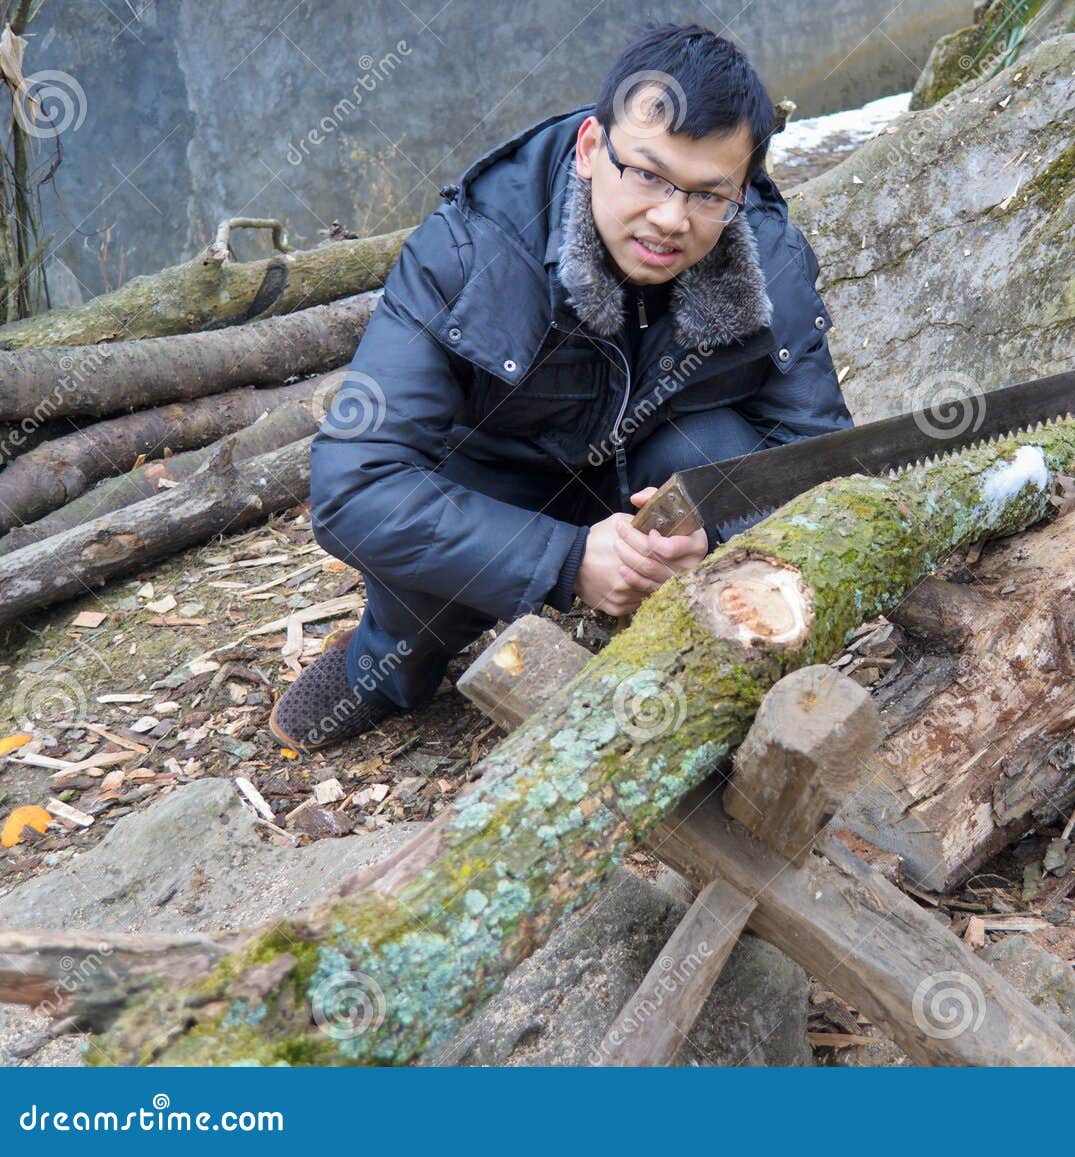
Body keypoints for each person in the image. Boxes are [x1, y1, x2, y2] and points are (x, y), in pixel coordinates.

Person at [269, 22, 852, 753]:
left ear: (741, 189)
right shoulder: (468, 250)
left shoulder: (769, 254)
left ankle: (698, 673)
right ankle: (385, 664)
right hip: (507, 478)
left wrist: (722, 537)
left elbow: (819, 459)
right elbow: (353, 485)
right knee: (419, 582)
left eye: (709, 195)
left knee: (726, 460)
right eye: (647, 175)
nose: (670, 219)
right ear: (590, 148)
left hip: (658, 469)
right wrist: (567, 560)